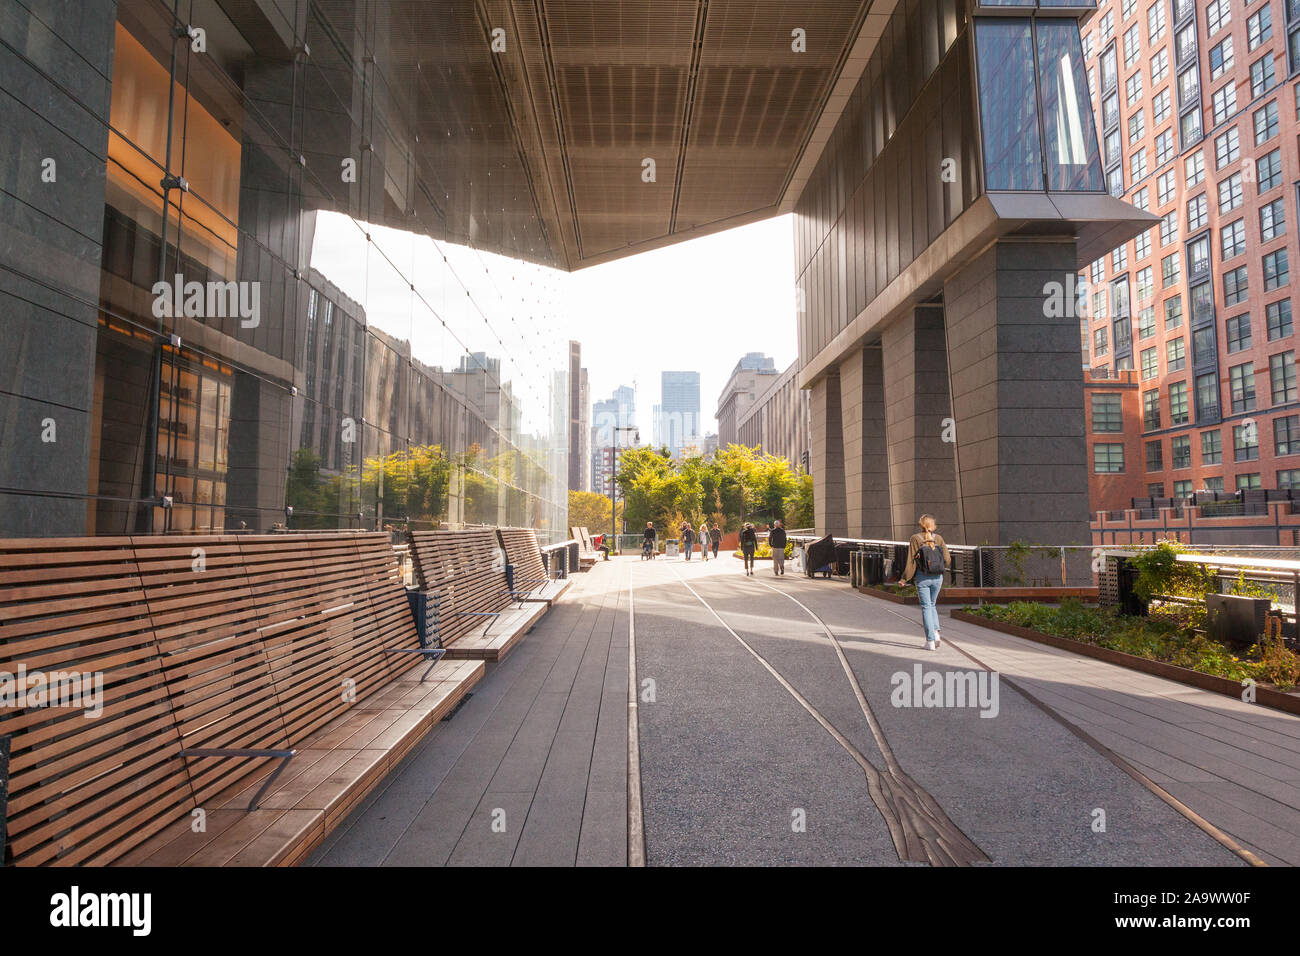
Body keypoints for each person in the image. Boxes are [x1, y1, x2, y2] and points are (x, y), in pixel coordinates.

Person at [901, 514, 951, 651]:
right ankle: (936, 633)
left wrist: (904, 578)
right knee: (932, 605)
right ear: (933, 525)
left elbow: (910, 562)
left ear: (920, 525)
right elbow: (947, 559)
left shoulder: (915, 539)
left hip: (923, 577)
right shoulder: (939, 539)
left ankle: (930, 641)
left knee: (926, 607)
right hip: (938, 578)